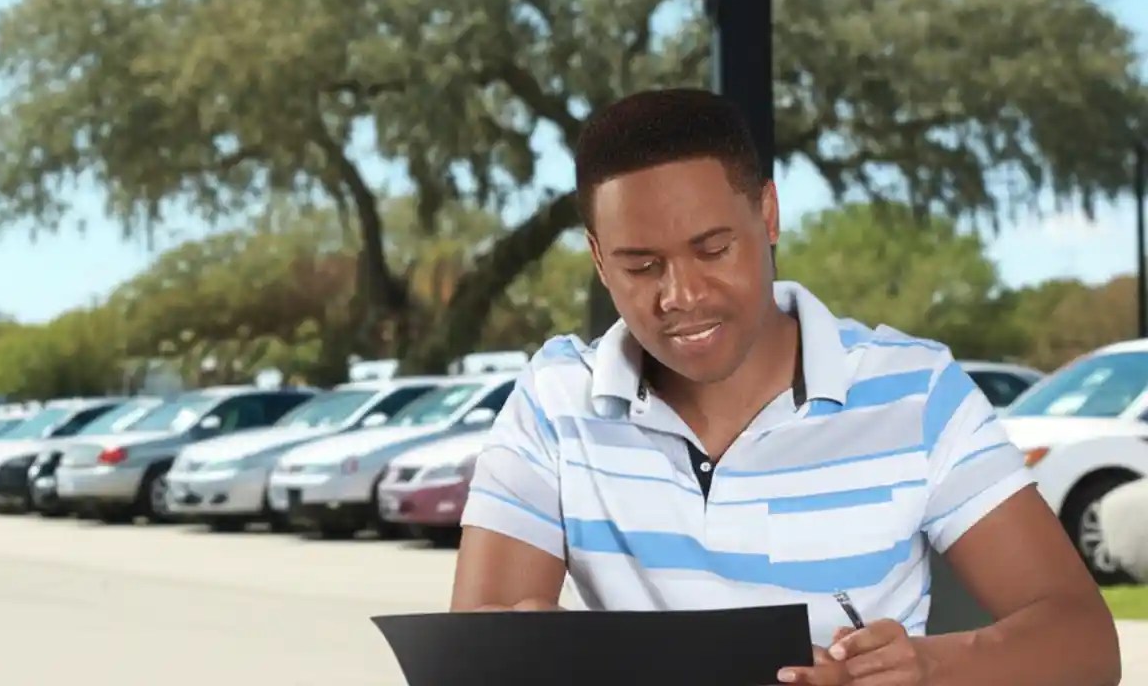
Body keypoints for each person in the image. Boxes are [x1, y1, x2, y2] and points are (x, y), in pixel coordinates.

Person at [450, 88, 1121, 685]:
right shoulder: (553, 401)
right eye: (642, 266)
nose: (681, 296)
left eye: (713, 249)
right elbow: (480, 649)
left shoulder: (914, 391)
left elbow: (1084, 642)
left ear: (767, 215)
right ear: (599, 260)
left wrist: (925, 668)